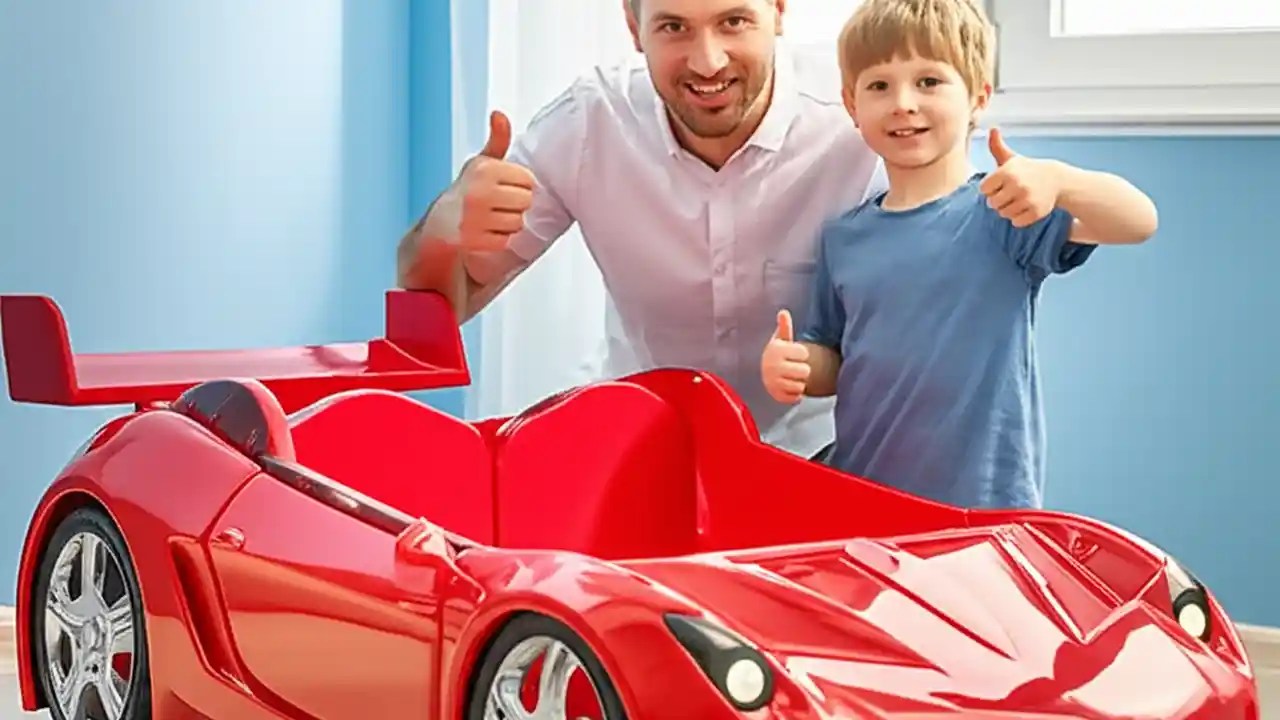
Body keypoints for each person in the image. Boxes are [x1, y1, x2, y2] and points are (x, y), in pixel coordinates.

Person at [397, 0, 887, 461]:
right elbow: (444, 306)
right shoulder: (590, 123)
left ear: (778, 10)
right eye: (674, 27)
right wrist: (444, 233)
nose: (708, 61)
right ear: (634, 29)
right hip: (645, 455)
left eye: (733, 21)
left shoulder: (861, 119)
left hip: (825, 458)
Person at [759, 0, 1158, 508]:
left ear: (978, 96)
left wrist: (1061, 180)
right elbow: (835, 360)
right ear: (851, 103)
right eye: (879, 85)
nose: (903, 102)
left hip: (983, 506)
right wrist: (796, 366)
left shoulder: (1002, 213)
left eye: (928, 81)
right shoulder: (844, 238)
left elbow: (1139, 221)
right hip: (862, 500)